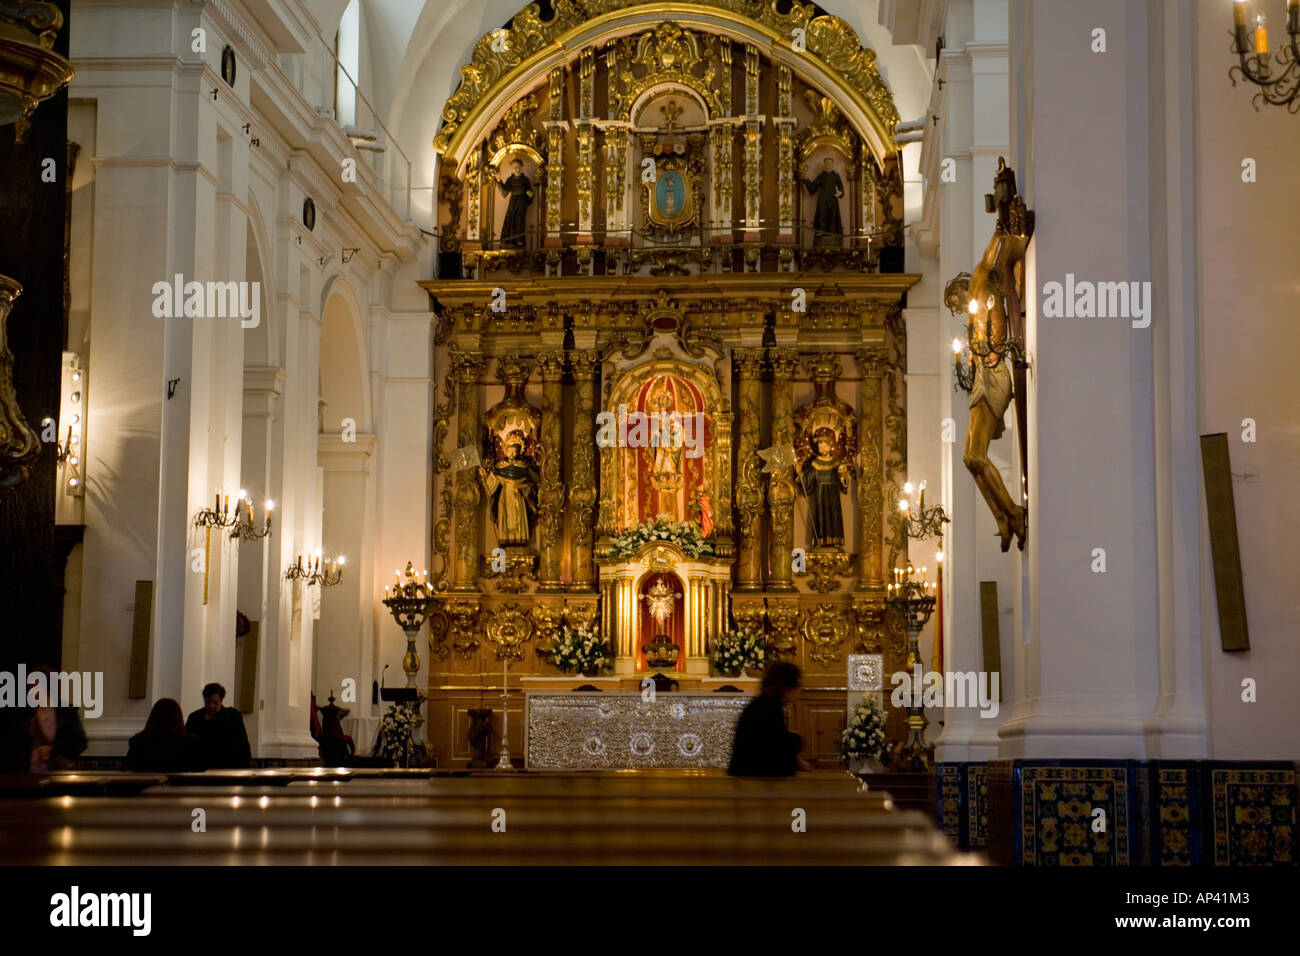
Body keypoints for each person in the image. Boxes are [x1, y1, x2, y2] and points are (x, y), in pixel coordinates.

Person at [728, 661, 813, 777]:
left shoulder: (764, 703)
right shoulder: (770, 707)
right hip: (754, 777)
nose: (799, 690)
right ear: (787, 686)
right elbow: (771, 751)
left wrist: (795, 761)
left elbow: (771, 744)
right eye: (797, 685)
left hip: (746, 772)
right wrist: (796, 740)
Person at [0, 666, 88, 772]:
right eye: (31, 686)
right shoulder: (24, 713)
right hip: (28, 774)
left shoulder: (66, 712)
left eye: (36, 687)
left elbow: (79, 743)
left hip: (57, 774)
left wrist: (54, 749)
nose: (31, 691)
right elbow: (12, 745)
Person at [185, 682, 251, 769]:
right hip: (201, 768)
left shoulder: (232, 717)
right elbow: (186, 745)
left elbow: (243, 745)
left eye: (215, 702)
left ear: (221, 700)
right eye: (208, 702)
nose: (211, 706)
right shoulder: (194, 718)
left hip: (227, 767)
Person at [126, 698, 201, 772]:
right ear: (177, 718)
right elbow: (196, 768)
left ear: (154, 717)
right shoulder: (188, 743)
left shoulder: (138, 741)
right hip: (179, 783)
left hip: (144, 783)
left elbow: (130, 766)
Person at [496, 157, 533, 248]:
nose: (517, 169)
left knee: (519, 220)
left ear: (521, 166)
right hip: (513, 202)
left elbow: (529, 195)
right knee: (510, 218)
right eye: (515, 167)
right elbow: (504, 192)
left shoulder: (525, 180)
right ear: (513, 168)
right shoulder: (510, 180)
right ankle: (508, 241)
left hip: (522, 202)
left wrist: (530, 195)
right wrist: (499, 181)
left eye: (518, 167)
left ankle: (519, 241)